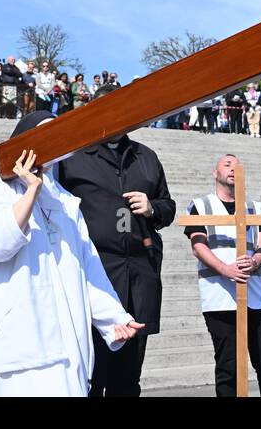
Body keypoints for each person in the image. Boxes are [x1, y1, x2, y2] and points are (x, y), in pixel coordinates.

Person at [0, 111, 145, 396]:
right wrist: (31, 191)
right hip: (18, 348)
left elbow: (87, 266)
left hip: (67, 345)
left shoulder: (66, 202)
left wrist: (113, 317)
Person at [58, 131, 175, 396]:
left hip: (139, 275)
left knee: (128, 377)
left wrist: (152, 207)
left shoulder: (145, 156)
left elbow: (168, 206)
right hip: (95, 274)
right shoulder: (73, 156)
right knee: (92, 374)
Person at [184, 154, 261, 397]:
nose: (232, 169)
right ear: (215, 172)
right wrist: (225, 269)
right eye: (227, 164)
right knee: (228, 368)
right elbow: (198, 245)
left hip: (258, 300)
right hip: (220, 300)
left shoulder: (255, 207)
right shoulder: (201, 205)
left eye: (237, 165)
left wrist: (255, 260)